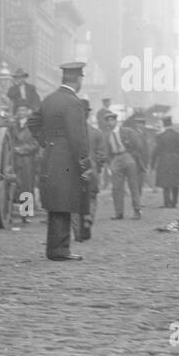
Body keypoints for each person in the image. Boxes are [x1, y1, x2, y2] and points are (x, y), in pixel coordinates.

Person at [28, 61, 92, 260]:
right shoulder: (74, 103)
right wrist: (84, 162)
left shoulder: (49, 99)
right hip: (67, 157)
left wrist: (45, 141)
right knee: (65, 200)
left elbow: (32, 122)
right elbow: (77, 136)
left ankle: (55, 249)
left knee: (57, 201)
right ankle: (60, 250)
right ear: (79, 80)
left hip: (51, 155)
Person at [74, 98, 107, 241]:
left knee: (75, 200)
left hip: (74, 170)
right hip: (92, 171)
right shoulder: (97, 133)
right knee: (92, 197)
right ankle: (88, 221)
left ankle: (77, 231)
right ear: (88, 114)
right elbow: (102, 156)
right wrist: (97, 169)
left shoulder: (71, 132)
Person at [102, 111, 145, 219]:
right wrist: (110, 163)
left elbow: (138, 144)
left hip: (127, 156)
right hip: (115, 159)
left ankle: (137, 211)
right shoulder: (106, 135)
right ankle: (119, 213)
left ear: (116, 121)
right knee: (116, 187)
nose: (110, 123)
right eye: (108, 121)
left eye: (112, 120)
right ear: (106, 123)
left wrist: (132, 156)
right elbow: (107, 151)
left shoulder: (127, 131)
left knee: (133, 185)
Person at [13, 104, 41, 223]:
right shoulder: (12, 125)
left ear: (27, 112)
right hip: (13, 160)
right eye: (19, 110)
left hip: (27, 161)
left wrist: (22, 150)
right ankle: (10, 212)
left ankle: (26, 215)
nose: (21, 112)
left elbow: (35, 144)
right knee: (14, 186)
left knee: (27, 187)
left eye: (23, 110)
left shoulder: (31, 126)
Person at [152, 116, 179, 208]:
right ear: (171, 124)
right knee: (176, 183)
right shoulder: (178, 135)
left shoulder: (160, 136)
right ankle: (174, 203)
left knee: (165, 183)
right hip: (176, 160)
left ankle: (167, 203)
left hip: (164, 160)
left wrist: (153, 163)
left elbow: (156, 151)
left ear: (164, 124)